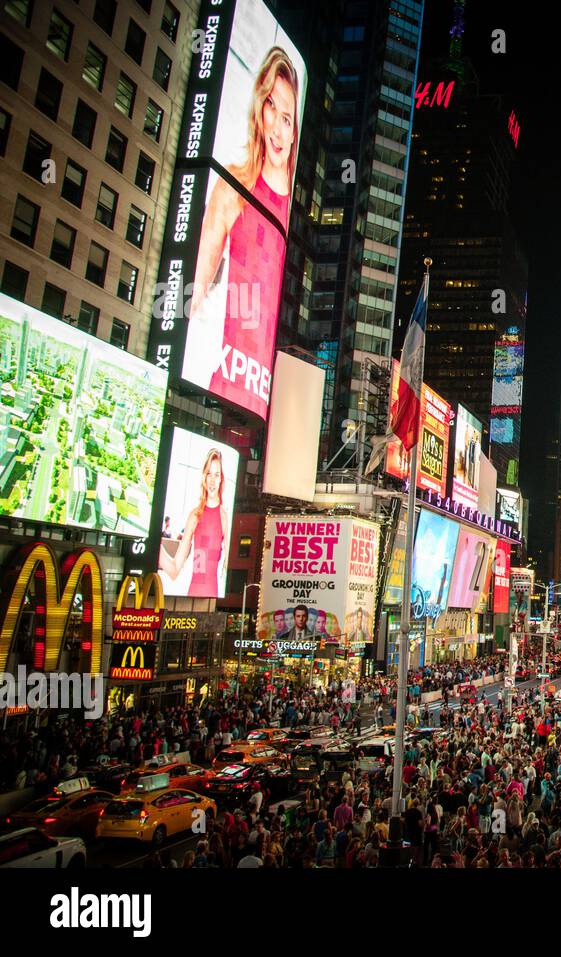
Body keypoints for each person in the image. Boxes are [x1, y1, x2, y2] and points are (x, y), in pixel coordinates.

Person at [189, 47, 299, 412]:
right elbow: (190, 299)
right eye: (271, 106)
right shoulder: (232, 188)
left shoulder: (293, 213)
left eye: (288, 118)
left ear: (295, 128)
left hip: (264, 398)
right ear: (259, 108)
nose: (277, 127)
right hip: (222, 387)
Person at [158, 448, 229, 596]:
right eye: (209, 473)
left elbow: (229, 569)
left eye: (216, 475)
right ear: (204, 476)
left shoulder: (225, 517)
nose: (212, 480)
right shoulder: (195, 516)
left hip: (213, 598)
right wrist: (155, 545)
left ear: (221, 478)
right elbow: (174, 570)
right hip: (193, 596)